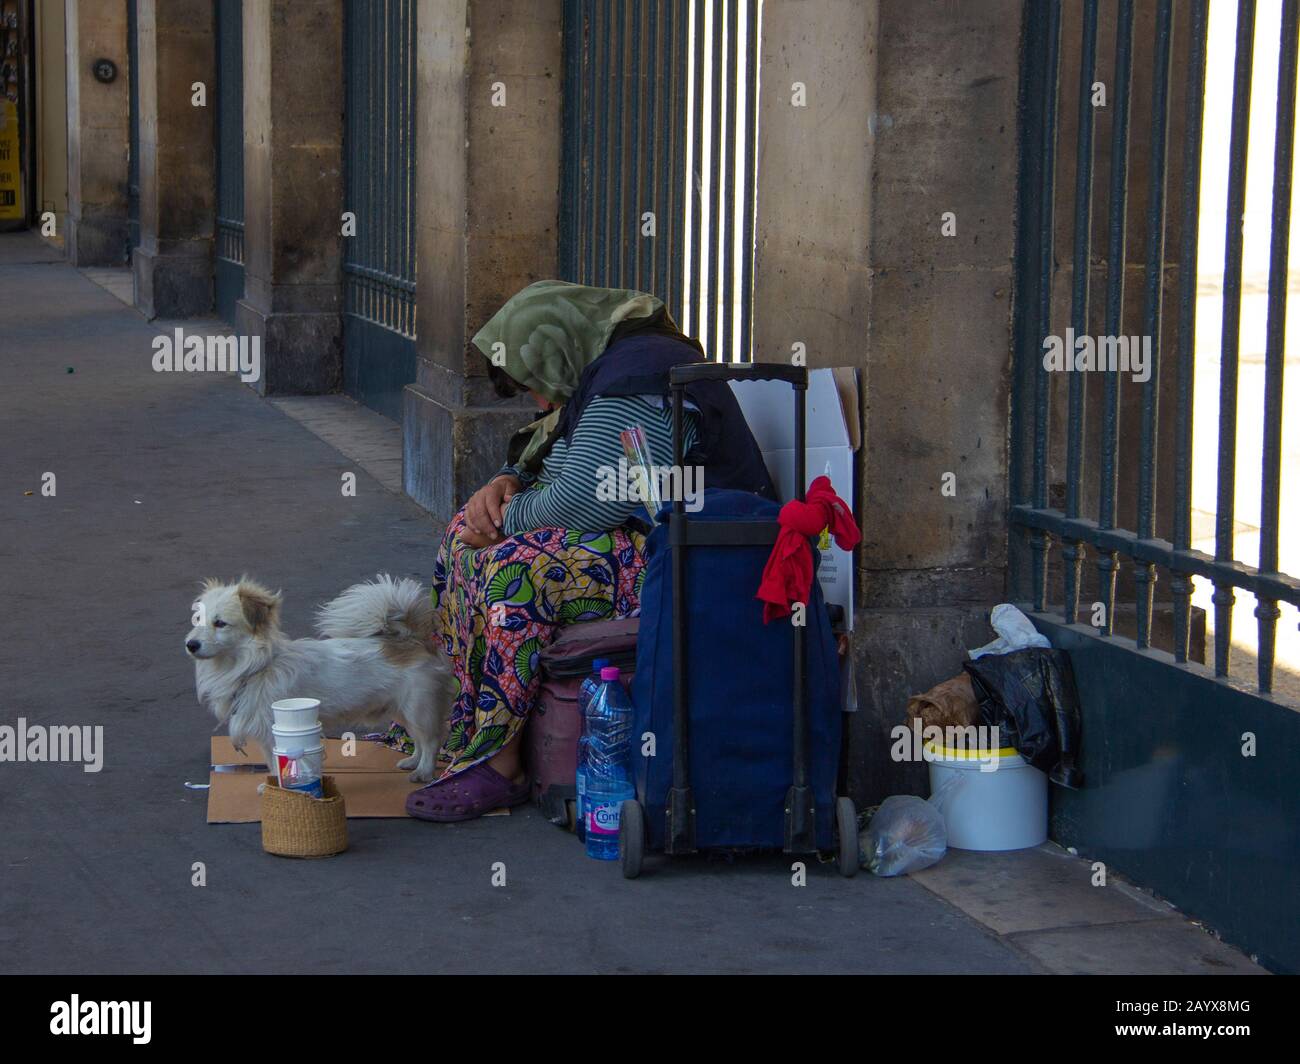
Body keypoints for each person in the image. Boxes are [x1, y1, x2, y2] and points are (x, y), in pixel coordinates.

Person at [399, 281, 774, 822]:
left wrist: (505, 523)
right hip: (648, 539)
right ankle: (465, 717)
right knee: (464, 536)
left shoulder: (639, 374)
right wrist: (501, 487)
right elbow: (549, 450)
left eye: (534, 384)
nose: (542, 400)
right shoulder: (608, 368)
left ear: (554, 344)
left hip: (691, 558)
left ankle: (500, 763)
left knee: (518, 568)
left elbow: (584, 501)